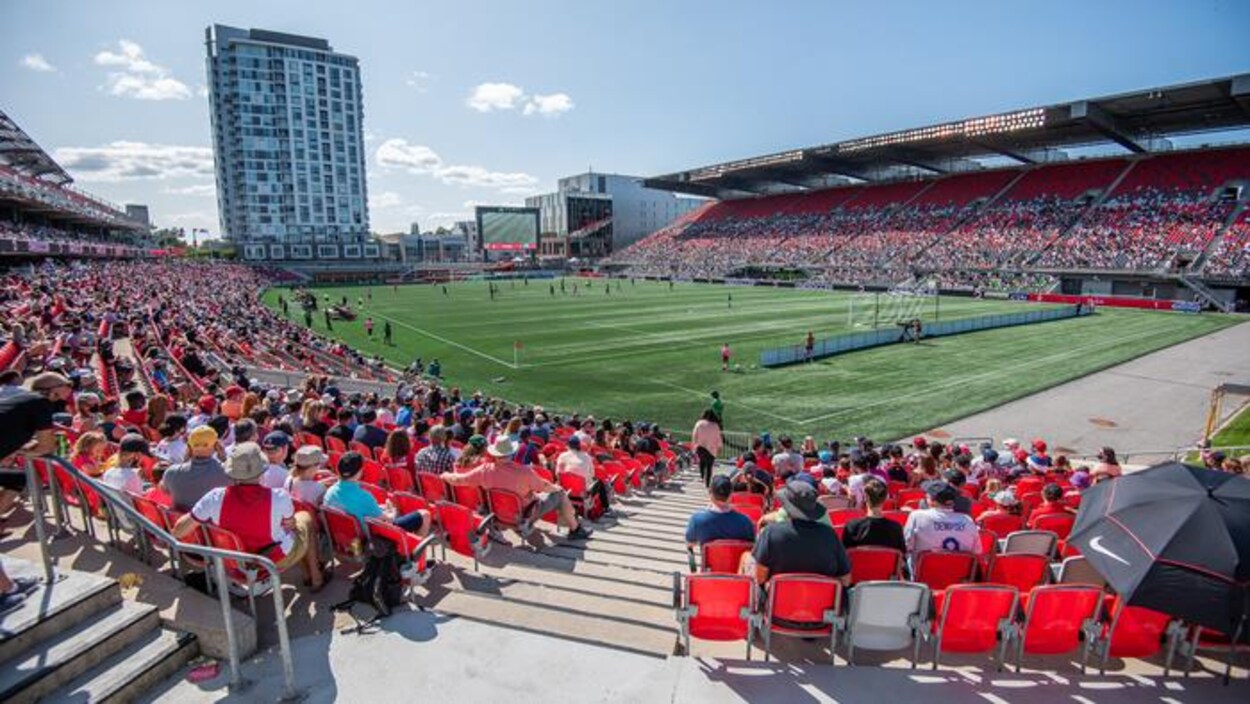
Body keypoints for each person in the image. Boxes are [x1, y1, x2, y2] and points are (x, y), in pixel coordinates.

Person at [173, 443, 328, 591]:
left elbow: (178, 532)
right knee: (305, 519)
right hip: (271, 559)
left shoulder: (214, 497)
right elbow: (290, 525)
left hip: (235, 559)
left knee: (298, 524)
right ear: (262, 470)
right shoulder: (279, 497)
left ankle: (312, 575)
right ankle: (315, 577)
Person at [444, 438, 594, 539]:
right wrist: (557, 487)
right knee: (560, 494)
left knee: (553, 493)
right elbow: (545, 487)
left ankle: (572, 524)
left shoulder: (484, 470)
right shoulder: (524, 472)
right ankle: (575, 529)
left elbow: (459, 480)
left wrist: (445, 475)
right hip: (523, 515)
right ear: (511, 452)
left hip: (498, 514)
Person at [751, 482, 850, 588]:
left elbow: (760, 577)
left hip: (778, 601)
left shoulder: (771, 533)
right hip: (821, 603)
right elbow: (845, 579)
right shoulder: (830, 535)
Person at [326, 452, 430, 536]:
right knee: (424, 514)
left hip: (343, 536)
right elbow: (387, 520)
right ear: (359, 472)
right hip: (370, 537)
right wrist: (393, 511)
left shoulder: (329, 492)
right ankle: (415, 556)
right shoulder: (365, 497)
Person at [903, 482, 980, 558]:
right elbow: (976, 552)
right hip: (959, 569)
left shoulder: (917, 516)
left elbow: (907, 546)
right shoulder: (967, 520)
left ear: (932, 500)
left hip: (925, 569)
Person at [161, 425, 229, 511]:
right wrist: (224, 458)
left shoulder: (171, 472)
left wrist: (185, 461)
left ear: (189, 447)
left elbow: (164, 490)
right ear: (216, 446)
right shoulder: (228, 473)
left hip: (180, 522)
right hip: (211, 523)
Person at [685, 475, 755, 550]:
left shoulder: (697, 520)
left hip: (710, 561)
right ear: (731, 495)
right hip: (736, 561)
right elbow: (752, 546)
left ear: (710, 493)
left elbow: (690, 544)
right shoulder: (745, 521)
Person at [841, 478, 905, 552]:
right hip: (884, 564)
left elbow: (844, 556)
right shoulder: (896, 528)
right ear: (885, 499)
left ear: (866, 497)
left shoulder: (852, 526)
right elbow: (902, 557)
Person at [555, 436, 611, 513]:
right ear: (579, 445)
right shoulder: (587, 457)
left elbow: (558, 473)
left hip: (566, 489)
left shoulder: (562, 456)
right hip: (582, 492)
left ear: (568, 445)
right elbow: (592, 474)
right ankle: (606, 507)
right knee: (600, 483)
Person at [691, 409, 722, 487]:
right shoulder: (715, 425)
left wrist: (694, 446)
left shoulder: (699, 424)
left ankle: (702, 476)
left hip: (700, 447)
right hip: (711, 450)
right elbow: (718, 438)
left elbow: (694, 436)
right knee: (709, 466)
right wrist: (719, 448)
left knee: (701, 461)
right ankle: (707, 484)